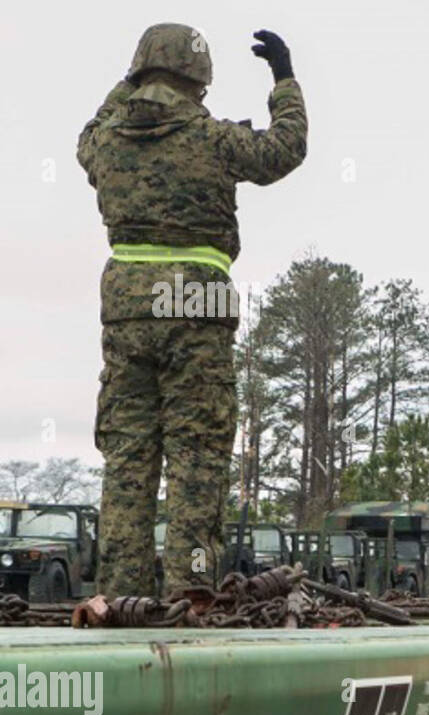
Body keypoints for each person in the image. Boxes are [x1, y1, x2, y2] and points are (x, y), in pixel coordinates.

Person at [78, 24, 307, 598]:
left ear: (139, 73)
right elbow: (286, 149)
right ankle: (191, 590)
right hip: (196, 309)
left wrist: (128, 83)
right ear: (199, 80)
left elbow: (86, 135)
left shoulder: (105, 141)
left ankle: (118, 597)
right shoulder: (212, 139)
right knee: (196, 456)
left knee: (128, 456)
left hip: (127, 312)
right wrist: (284, 79)